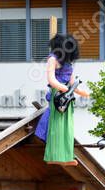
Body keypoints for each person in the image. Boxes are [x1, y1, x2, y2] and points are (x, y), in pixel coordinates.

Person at [35, 34, 88, 165]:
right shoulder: (52, 59)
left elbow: (72, 82)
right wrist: (65, 89)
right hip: (58, 96)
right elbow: (51, 80)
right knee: (56, 125)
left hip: (67, 97)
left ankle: (67, 156)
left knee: (67, 126)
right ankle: (54, 155)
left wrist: (82, 92)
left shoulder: (68, 63)